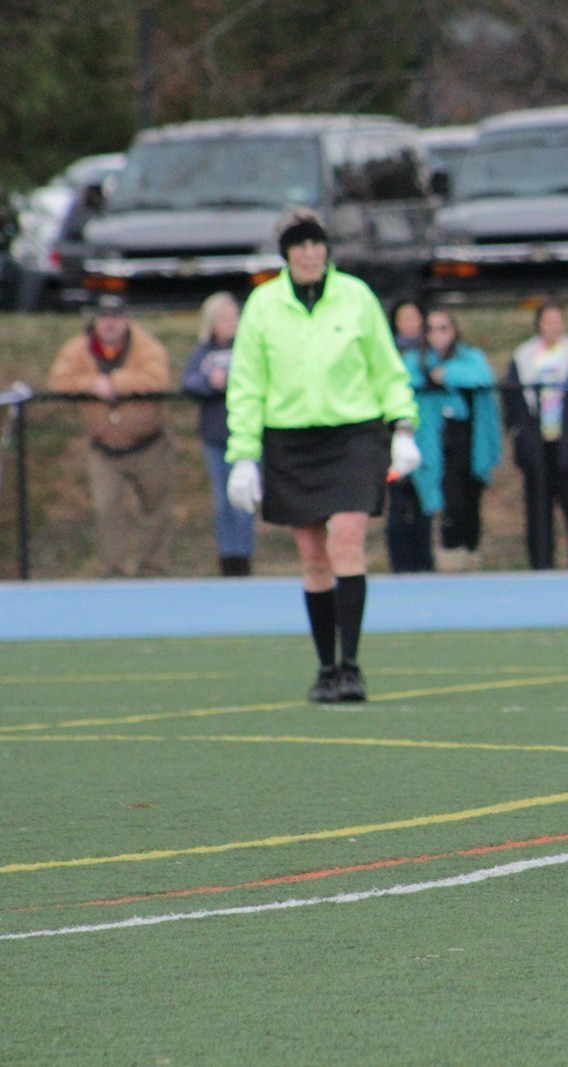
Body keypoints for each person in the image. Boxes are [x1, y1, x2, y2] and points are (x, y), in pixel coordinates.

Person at [224, 208, 420, 704]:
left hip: (353, 435)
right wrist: (244, 455)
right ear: (285, 252)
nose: (309, 253)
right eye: (298, 244)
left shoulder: (356, 297)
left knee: (347, 540)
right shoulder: (264, 306)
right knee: (312, 557)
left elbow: (386, 367)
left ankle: (352, 666)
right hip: (291, 441)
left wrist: (402, 425)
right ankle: (326, 667)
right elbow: (246, 384)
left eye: (316, 243)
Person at [46, 293, 176, 578]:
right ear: (96, 321)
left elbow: (158, 378)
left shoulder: (146, 346)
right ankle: (113, 570)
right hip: (104, 449)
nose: (109, 324)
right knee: (107, 509)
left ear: (125, 320)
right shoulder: (78, 349)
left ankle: (153, 569)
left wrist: (116, 383)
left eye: (116, 318)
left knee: (154, 510)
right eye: (104, 318)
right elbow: (58, 379)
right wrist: (92, 384)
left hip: (149, 446)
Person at [404, 310, 502, 572]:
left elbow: (482, 377)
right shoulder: (416, 360)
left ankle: (471, 553)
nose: (438, 334)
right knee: (448, 500)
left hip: (468, 440)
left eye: (443, 328)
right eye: (432, 329)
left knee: (471, 499)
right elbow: (405, 380)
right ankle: (450, 556)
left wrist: (445, 375)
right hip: (435, 441)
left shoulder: (469, 357)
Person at [506, 299, 568, 570]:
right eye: (547, 321)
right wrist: (519, 432)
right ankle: (540, 568)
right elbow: (512, 401)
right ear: (539, 324)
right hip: (537, 447)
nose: (552, 326)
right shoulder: (523, 355)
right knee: (538, 515)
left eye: (557, 321)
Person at [181, 291, 255, 576]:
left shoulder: (248, 350)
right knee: (222, 503)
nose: (231, 322)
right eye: (223, 317)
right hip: (214, 438)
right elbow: (188, 381)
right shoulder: (204, 353)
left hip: (244, 437)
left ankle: (244, 559)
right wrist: (210, 382)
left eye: (234, 315)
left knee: (243, 502)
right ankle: (228, 560)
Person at [384, 300, 434, 573]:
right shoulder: (386, 352)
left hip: (427, 440)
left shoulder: (433, 351)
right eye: (403, 318)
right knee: (398, 503)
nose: (409, 323)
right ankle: (399, 564)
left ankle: (424, 562)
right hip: (395, 440)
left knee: (423, 502)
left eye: (414, 317)